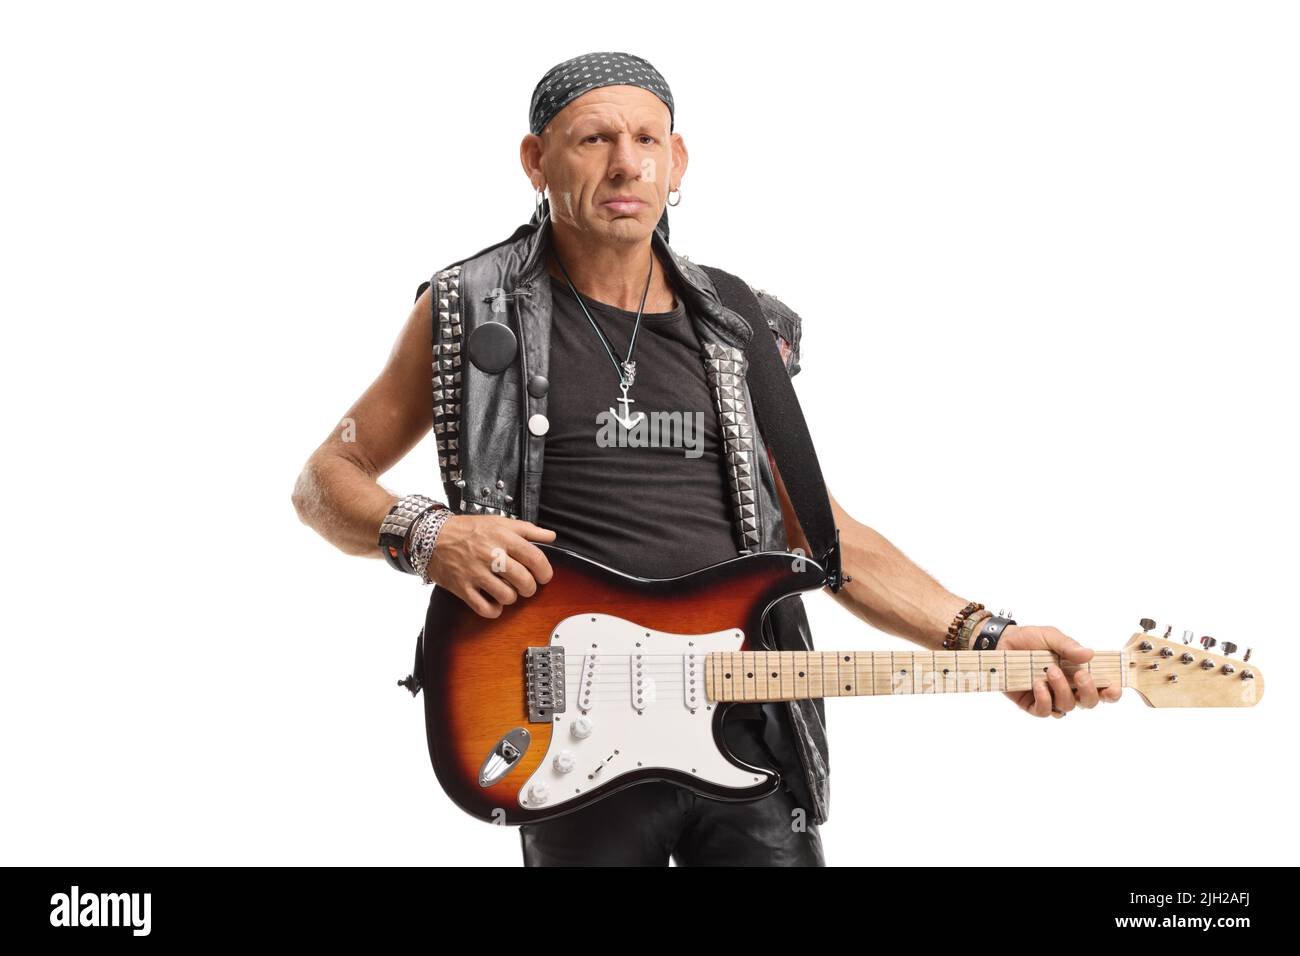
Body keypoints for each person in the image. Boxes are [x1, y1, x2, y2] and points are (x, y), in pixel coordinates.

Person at [291, 51, 1122, 867]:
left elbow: (824, 537)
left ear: (677, 159)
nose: (626, 164)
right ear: (534, 161)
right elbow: (325, 479)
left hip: (747, 729)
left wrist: (987, 639)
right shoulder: (468, 310)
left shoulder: (740, 325)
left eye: (648, 140)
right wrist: (426, 533)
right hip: (572, 735)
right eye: (593, 141)